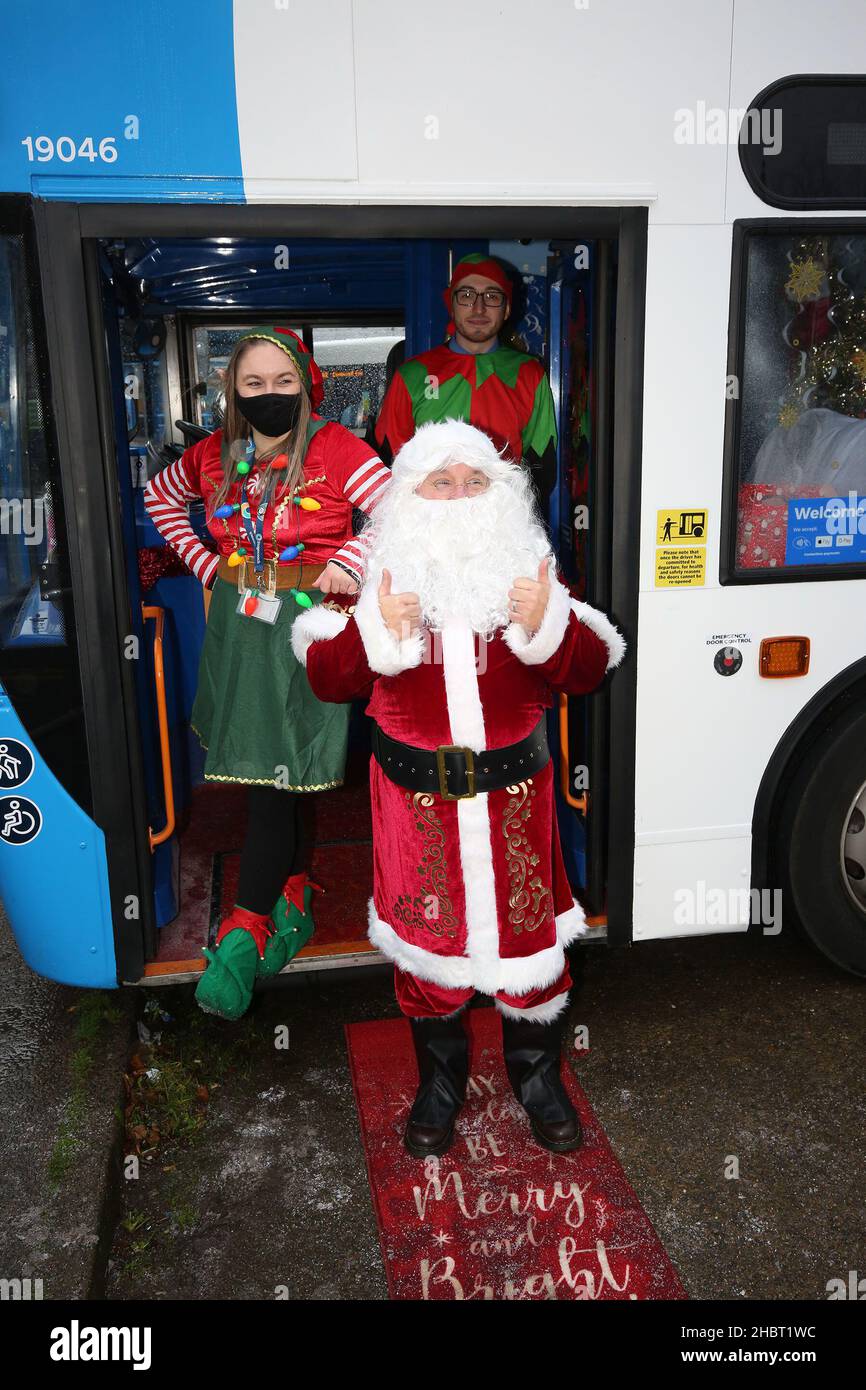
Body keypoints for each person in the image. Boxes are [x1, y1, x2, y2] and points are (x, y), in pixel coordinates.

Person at [291, 419, 625, 1156]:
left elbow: (592, 667)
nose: (459, 494)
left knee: (529, 952)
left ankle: (537, 1079)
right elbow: (324, 677)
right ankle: (440, 1085)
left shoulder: (528, 563)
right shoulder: (374, 567)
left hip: (515, 802)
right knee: (427, 953)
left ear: (500, 492)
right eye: (440, 481)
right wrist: (371, 628)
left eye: (475, 480)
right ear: (411, 493)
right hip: (414, 809)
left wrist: (552, 625)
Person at [143, 325, 391, 1019]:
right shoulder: (214, 455)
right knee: (267, 774)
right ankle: (289, 899)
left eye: (283, 383)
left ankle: (247, 924)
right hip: (241, 620)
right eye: (253, 384)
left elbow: (402, 507)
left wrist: (351, 561)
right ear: (233, 390)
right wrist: (207, 566)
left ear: (306, 385)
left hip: (310, 619)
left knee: (278, 776)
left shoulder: (342, 450)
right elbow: (160, 499)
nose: (269, 396)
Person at [374, 253, 558, 506]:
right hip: (429, 520)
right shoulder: (412, 375)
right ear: (451, 304)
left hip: (500, 520)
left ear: (506, 309)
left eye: (492, 296)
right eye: (467, 295)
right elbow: (390, 466)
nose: (479, 307)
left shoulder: (529, 374)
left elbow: (541, 468)